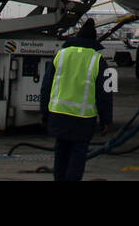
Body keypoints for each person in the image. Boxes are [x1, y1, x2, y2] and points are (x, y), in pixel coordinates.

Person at [41, 18, 113, 181]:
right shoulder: (99, 60)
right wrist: (106, 120)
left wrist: (44, 112)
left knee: (60, 154)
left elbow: (46, 86)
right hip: (83, 119)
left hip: (59, 115)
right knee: (77, 157)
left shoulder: (61, 54)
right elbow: (106, 94)